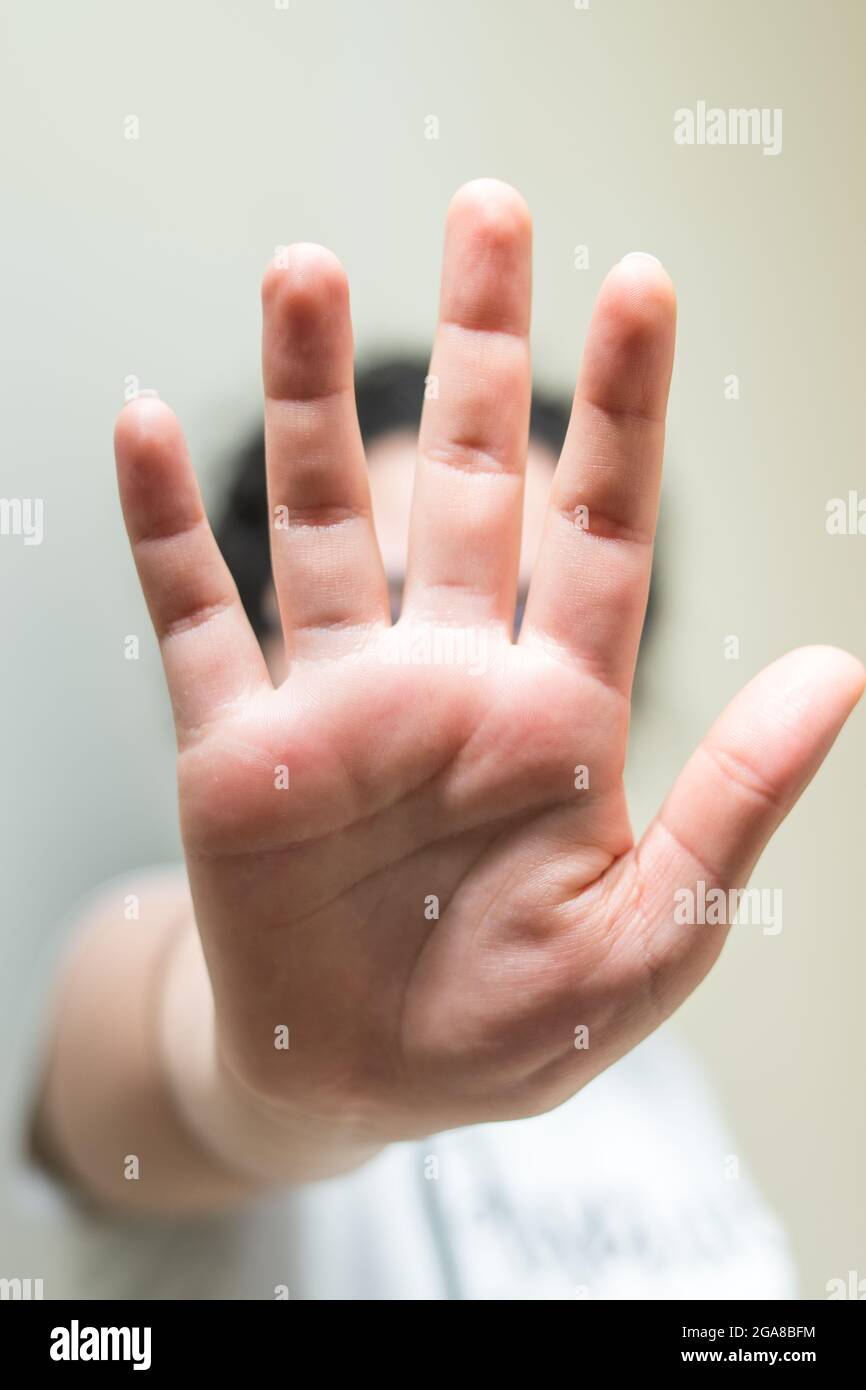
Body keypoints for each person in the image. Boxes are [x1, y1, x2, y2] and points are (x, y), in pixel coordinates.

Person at [22, 179, 863, 1299]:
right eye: (386, 611)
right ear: (244, 650)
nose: (454, 702)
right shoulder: (141, 965)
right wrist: (282, 1089)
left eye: (518, 627)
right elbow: (175, 1080)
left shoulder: (650, 1078)